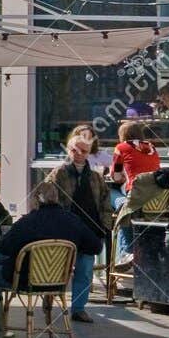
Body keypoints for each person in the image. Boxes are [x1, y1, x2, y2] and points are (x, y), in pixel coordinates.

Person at [45, 131, 112, 323]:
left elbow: (106, 202)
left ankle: (78, 308)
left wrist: (104, 225)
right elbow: (45, 197)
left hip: (89, 230)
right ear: (69, 150)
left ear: (89, 152)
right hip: (64, 229)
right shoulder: (58, 173)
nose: (79, 154)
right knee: (56, 268)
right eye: (75, 150)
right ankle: (48, 299)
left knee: (84, 270)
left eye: (84, 151)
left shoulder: (96, 177)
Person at [0, 182, 104, 296]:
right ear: (56, 198)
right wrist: (73, 249)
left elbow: (4, 248)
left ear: (35, 200)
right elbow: (96, 247)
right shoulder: (73, 220)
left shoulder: (26, 222)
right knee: (85, 259)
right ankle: (78, 309)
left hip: (24, 282)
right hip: (59, 282)